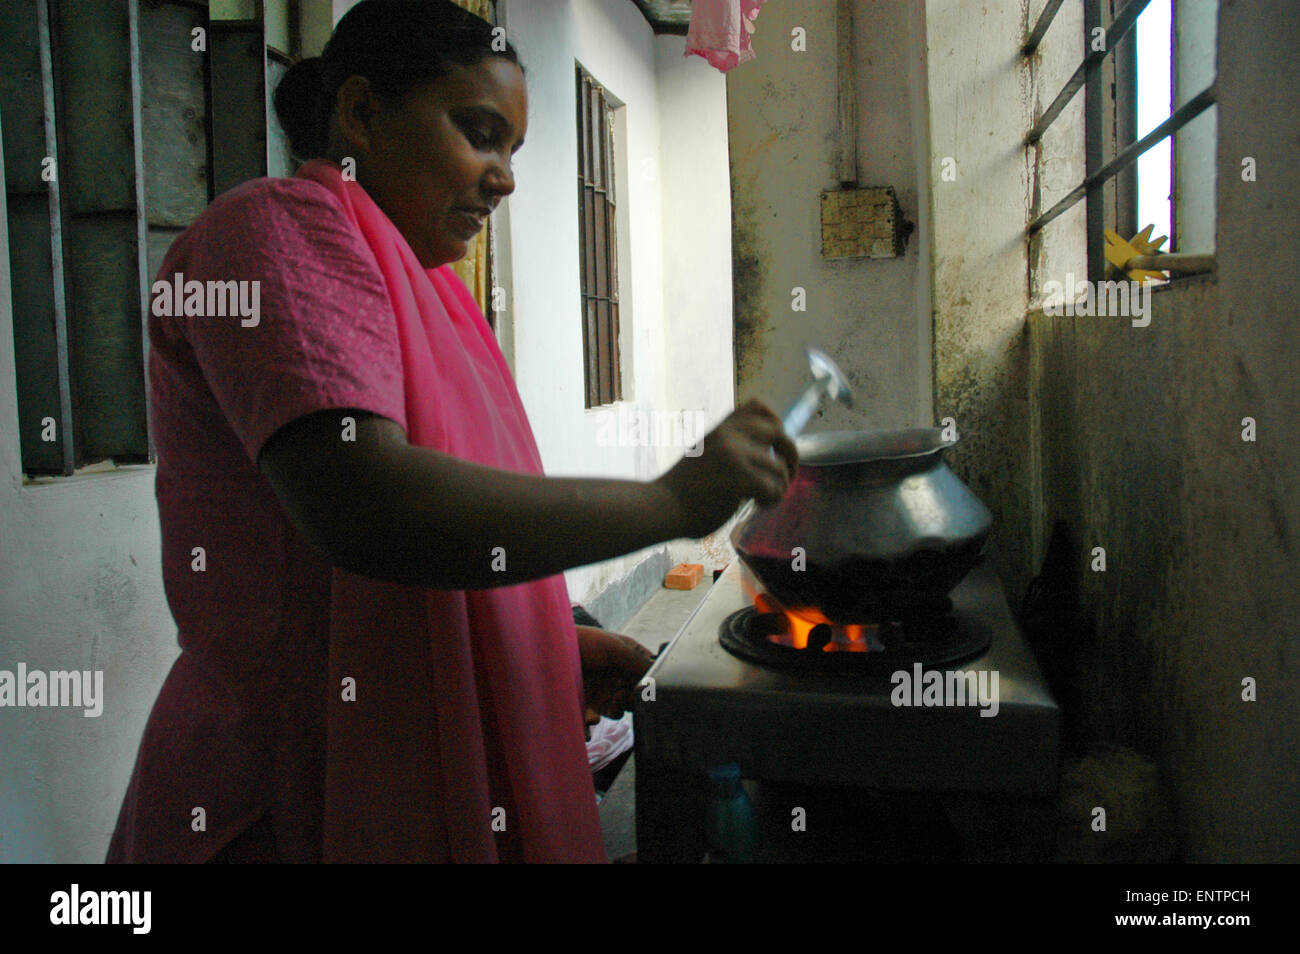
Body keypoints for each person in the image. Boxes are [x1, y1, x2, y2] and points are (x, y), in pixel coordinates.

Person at [106, 0, 797, 864]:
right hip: (285, 798)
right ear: (360, 112)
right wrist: (666, 501)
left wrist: (535, 644)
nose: (504, 177)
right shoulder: (274, 229)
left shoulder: (432, 293)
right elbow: (363, 505)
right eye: (478, 133)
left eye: (512, 151)